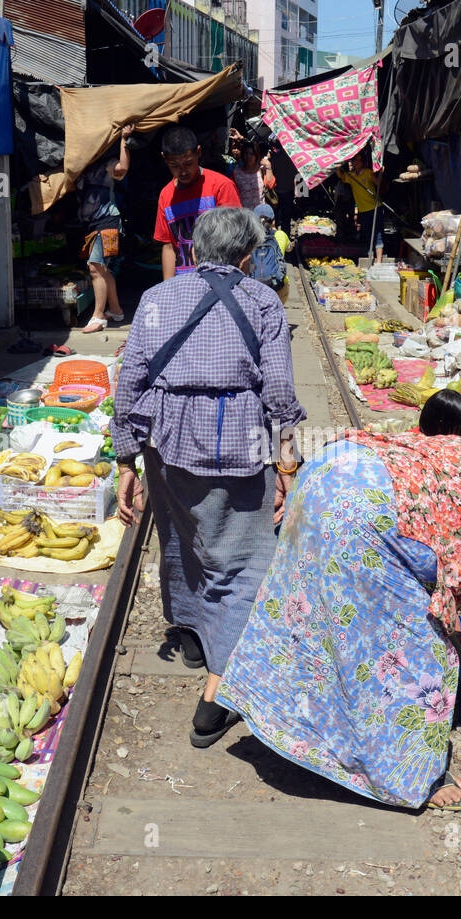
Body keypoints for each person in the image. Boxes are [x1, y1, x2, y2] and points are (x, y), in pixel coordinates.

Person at [216, 427, 461, 810]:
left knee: (310, 609)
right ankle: (403, 776)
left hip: (328, 470)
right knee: (423, 653)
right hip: (366, 511)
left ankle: (273, 709)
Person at [113, 207, 305, 747]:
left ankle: (195, 635)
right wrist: (286, 465)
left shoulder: (156, 298)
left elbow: (130, 380)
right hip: (240, 440)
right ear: (247, 256)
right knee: (244, 562)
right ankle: (216, 697)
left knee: (181, 539)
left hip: (170, 442)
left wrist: (125, 460)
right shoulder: (263, 300)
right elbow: (280, 394)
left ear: (195, 250)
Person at [155, 126, 241, 280]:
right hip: (184, 283)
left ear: (199, 152)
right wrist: (167, 288)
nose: (182, 171)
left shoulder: (221, 186)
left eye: (188, 163)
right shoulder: (166, 195)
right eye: (175, 166)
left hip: (219, 281)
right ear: (165, 159)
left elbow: (237, 239)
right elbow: (168, 247)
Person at [78, 124, 134, 334]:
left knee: (95, 267)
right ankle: (116, 310)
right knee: (103, 268)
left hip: (106, 222)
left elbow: (123, 168)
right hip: (93, 224)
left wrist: (123, 141)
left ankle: (99, 316)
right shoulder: (84, 166)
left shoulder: (107, 164)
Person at [338, 151, 383, 259]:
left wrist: (381, 172)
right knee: (368, 235)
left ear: (363, 162)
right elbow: (340, 176)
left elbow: (378, 183)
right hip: (363, 211)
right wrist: (337, 165)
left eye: (358, 160)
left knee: (377, 235)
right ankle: (371, 258)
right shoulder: (351, 176)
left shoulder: (368, 173)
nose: (356, 162)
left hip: (375, 208)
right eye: (355, 160)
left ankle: (378, 262)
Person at [249, 203, 289, 303]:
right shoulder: (280, 235)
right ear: (273, 222)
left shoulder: (247, 239)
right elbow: (288, 250)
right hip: (275, 287)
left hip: (253, 288)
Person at [230, 140, 274, 211]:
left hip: (260, 214)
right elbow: (232, 195)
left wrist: (268, 167)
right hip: (244, 215)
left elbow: (270, 185)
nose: (248, 157)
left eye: (251, 154)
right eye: (246, 153)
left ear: (256, 155)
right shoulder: (236, 173)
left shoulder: (261, 170)